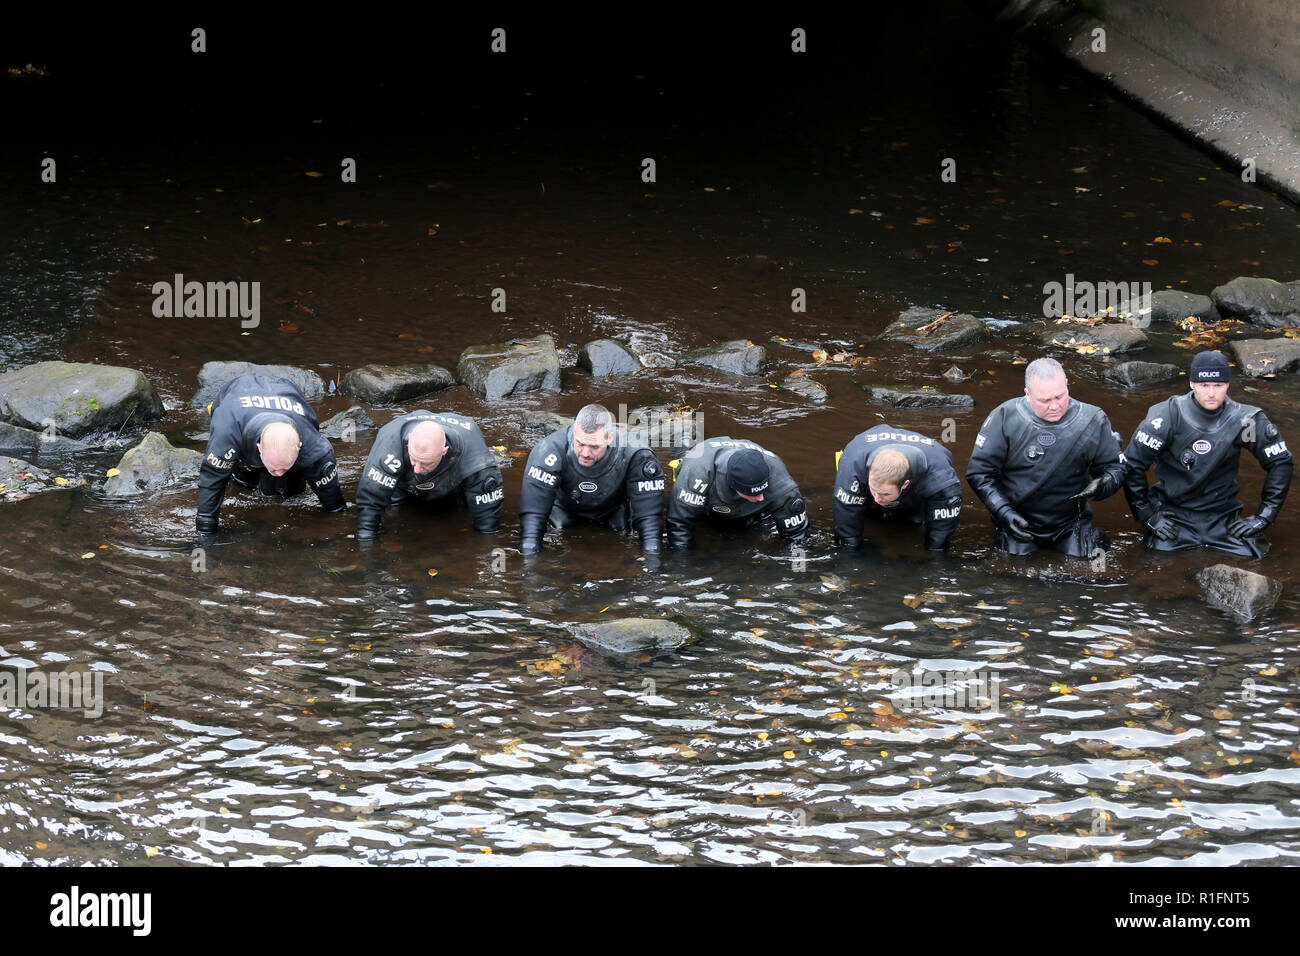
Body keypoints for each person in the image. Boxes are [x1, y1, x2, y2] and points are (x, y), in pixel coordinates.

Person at [1122, 350, 1292, 558]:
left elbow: (1280, 462)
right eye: (1204, 386)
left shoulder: (1246, 420)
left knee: (1256, 556)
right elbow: (1132, 464)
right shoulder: (1167, 415)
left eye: (1218, 385)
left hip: (1222, 516)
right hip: (1173, 514)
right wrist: (1147, 516)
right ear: (1192, 384)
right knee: (1156, 562)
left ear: (1228, 385)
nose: (1211, 393)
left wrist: (1265, 516)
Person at [966, 357, 1124, 557]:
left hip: (1071, 522)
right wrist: (1002, 511)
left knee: (1090, 566)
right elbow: (979, 473)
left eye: (1060, 397)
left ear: (1067, 385)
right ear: (1027, 394)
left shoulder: (1092, 419)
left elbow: (1115, 467)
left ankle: (1094, 537)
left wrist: (1104, 483)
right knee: (1013, 570)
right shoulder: (1004, 417)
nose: (1055, 406)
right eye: (1045, 401)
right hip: (1019, 519)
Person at [196, 372, 345, 546]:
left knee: (293, 491)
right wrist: (205, 534)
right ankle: (253, 470)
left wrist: (338, 530)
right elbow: (211, 483)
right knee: (244, 481)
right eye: (275, 468)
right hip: (238, 400)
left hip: (285, 391)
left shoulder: (314, 447)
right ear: (259, 448)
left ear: (300, 446)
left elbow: (333, 502)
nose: (279, 474)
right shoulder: (228, 433)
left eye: (284, 467)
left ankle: (283, 467)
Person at [519, 404, 665, 554]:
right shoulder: (549, 451)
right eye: (580, 444)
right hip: (563, 510)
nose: (585, 453)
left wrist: (652, 564)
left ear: (610, 438)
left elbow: (650, 522)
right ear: (574, 432)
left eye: (594, 447)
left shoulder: (636, 454)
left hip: (613, 510)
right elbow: (533, 516)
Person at [354, 411, 504, 542]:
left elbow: (488, 518)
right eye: (414, 459)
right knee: (393, 507)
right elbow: (370, 498)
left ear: (444, 451)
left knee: (463, 508)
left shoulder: (473, 455)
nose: (418, 469)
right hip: (404, 485)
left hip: (452, 486)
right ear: (409, 441)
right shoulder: (390, 443)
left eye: (426, 463)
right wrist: (366, 541)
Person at [833, 424, 962, 551]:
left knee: (918, 523)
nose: (877, 498)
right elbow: (846, 524)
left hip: (921, 483)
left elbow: (940, 536)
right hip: (862, 462)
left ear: (905, 484)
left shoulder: (941, 480)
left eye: (885, 494)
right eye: (874, 490)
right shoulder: (853, 466)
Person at [665, 437, 808, 549]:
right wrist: (682, 570)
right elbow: (679, 524)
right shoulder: (697, 473)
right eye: (754, 494)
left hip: (747, 510)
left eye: (763, 490)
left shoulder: (781, 482)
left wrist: (799, 570)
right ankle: (683, 435)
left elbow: (797, 536)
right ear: (733, 486)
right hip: (704, 465)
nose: (761, 497)